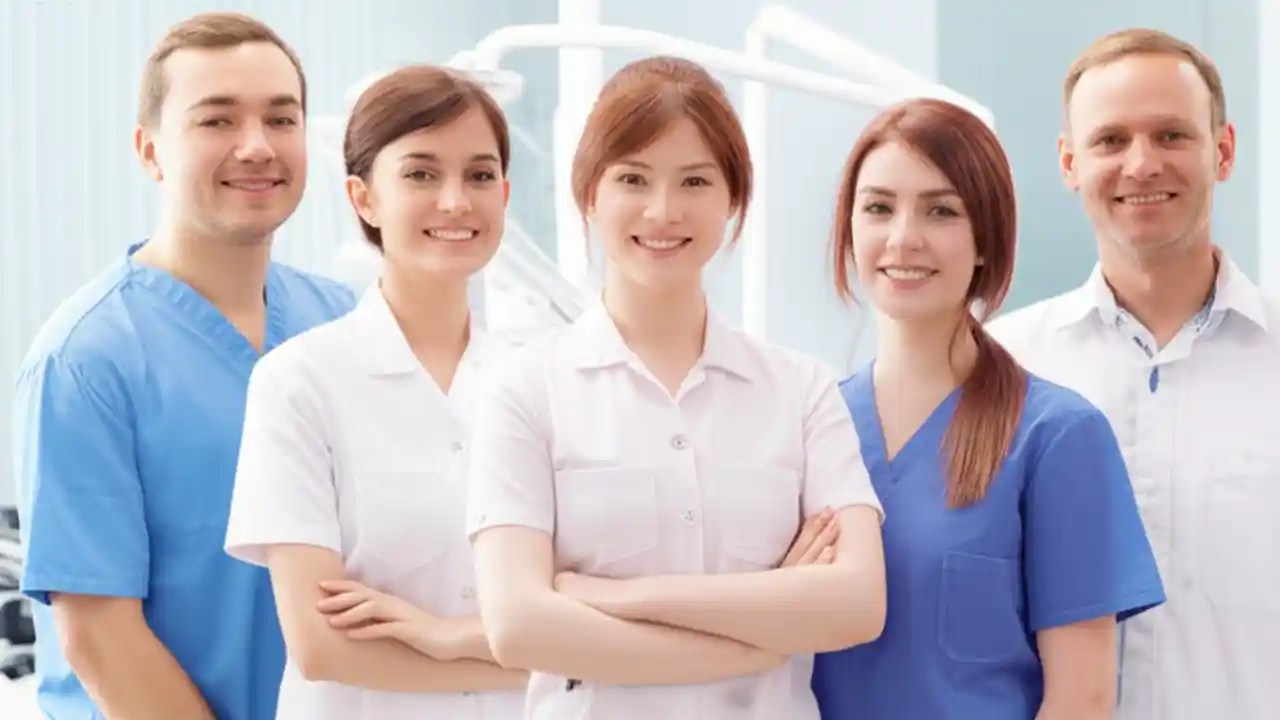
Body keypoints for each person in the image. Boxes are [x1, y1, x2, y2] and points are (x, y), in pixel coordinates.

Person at [464, 55, 887, 720]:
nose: (663, 212)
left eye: (695, 181)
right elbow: (518, 626)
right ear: (589, 195)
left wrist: (610, 596)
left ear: (734, 200)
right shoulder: (524, 389)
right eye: (633, 178)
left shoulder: (801, 390)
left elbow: (858, 604)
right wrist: (760, 634)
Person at [12, 12, 355, 720]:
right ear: (150, 151)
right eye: (216, 121)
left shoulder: (346, 323)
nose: (257, 147)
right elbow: (99, 635)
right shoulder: (87, 358)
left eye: (281, 119)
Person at [810, 98, 1166, 719]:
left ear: (984, 240)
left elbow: (1081, 700)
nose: (903, 238)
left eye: (941, 210)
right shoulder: (812, 425)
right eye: (878, 207)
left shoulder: (1056, 438)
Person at [987, 28, 1280, 720]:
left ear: (1225, 150)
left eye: (1172, 136)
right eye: (1110, 140)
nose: (1141, 164)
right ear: (1069, 163)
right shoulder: (1001, 368)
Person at [223, 65, 527, 719]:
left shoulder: (543, 377)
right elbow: (321, 646)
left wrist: (447, 641)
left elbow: (592, 611)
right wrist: (544, 662)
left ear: (504, 192)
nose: (455, 201)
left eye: (479, 175)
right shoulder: (300, 382)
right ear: (364, 198)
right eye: (420, 173)